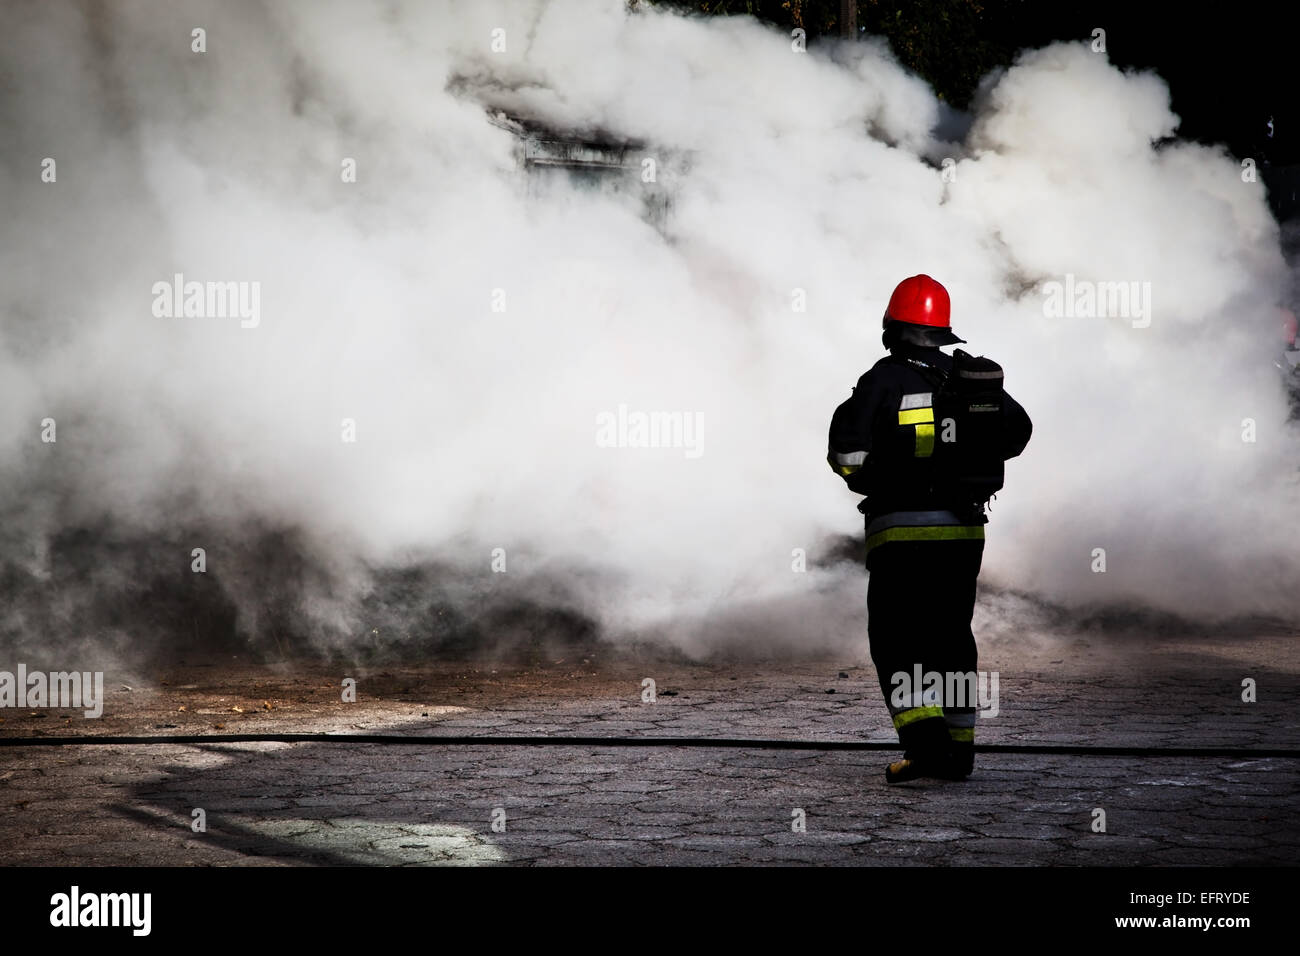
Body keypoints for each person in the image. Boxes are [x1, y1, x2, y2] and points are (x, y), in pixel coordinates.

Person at [827, 275, 1031, 783]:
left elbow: (847, 456)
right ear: (943, 331)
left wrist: (885, 483)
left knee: (899, 642)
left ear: (892, 327)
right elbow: (1019, 432)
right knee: (951, 640)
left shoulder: (883, 379)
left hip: (901, 534)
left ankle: (925, 748)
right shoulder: (973, 380)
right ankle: (959, 753)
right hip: (964, 533)